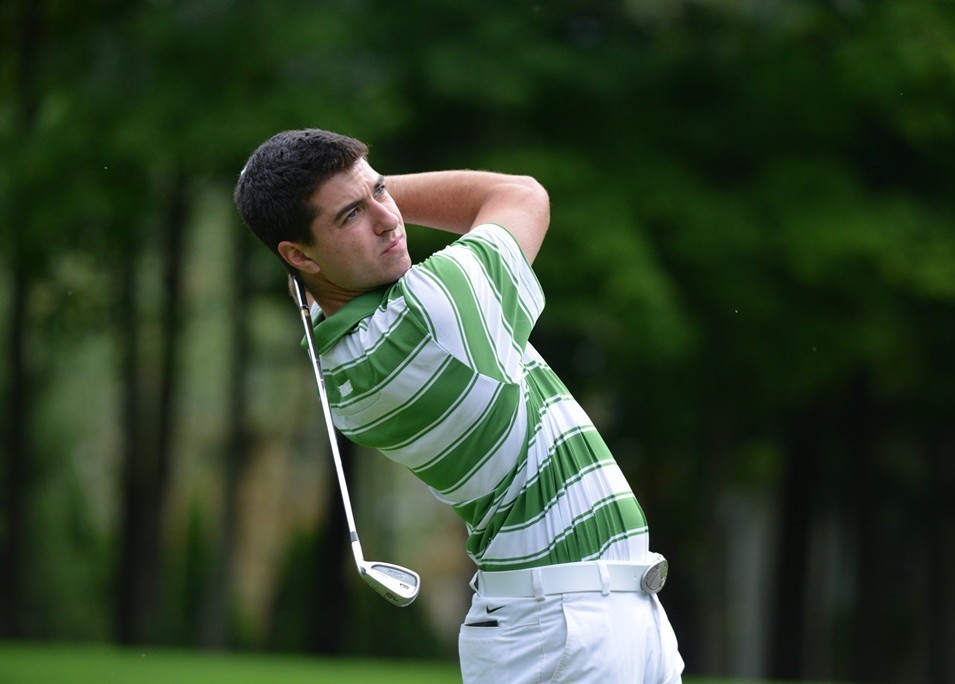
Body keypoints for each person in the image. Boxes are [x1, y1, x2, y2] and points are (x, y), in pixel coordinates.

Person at [234, 128, 684, 683]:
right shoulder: (432, 313)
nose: (388, 219)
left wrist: (339, 203)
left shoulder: (339, 363)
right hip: (567, 629)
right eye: (351, 215)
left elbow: (318, 286)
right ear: (299, 255)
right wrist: (381, 186)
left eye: (380, 191)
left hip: (585, 618)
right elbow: (521, 195)